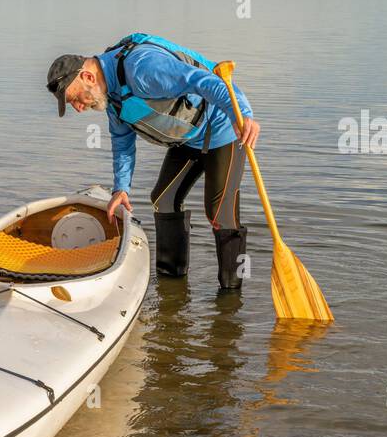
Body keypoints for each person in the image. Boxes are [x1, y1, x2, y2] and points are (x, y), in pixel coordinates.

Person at [46, 33, 260, 290]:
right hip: (189, 140)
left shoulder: (143, 68)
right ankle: (172, 284)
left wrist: (244, 114)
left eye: (76, 99)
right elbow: (122, 142)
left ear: (88, 77)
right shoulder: (112, 98)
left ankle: (231, 294)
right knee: (163, 199)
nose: (79, 109)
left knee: (219, 212)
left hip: (225, 130)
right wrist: (121, 188)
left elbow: (204, 81)